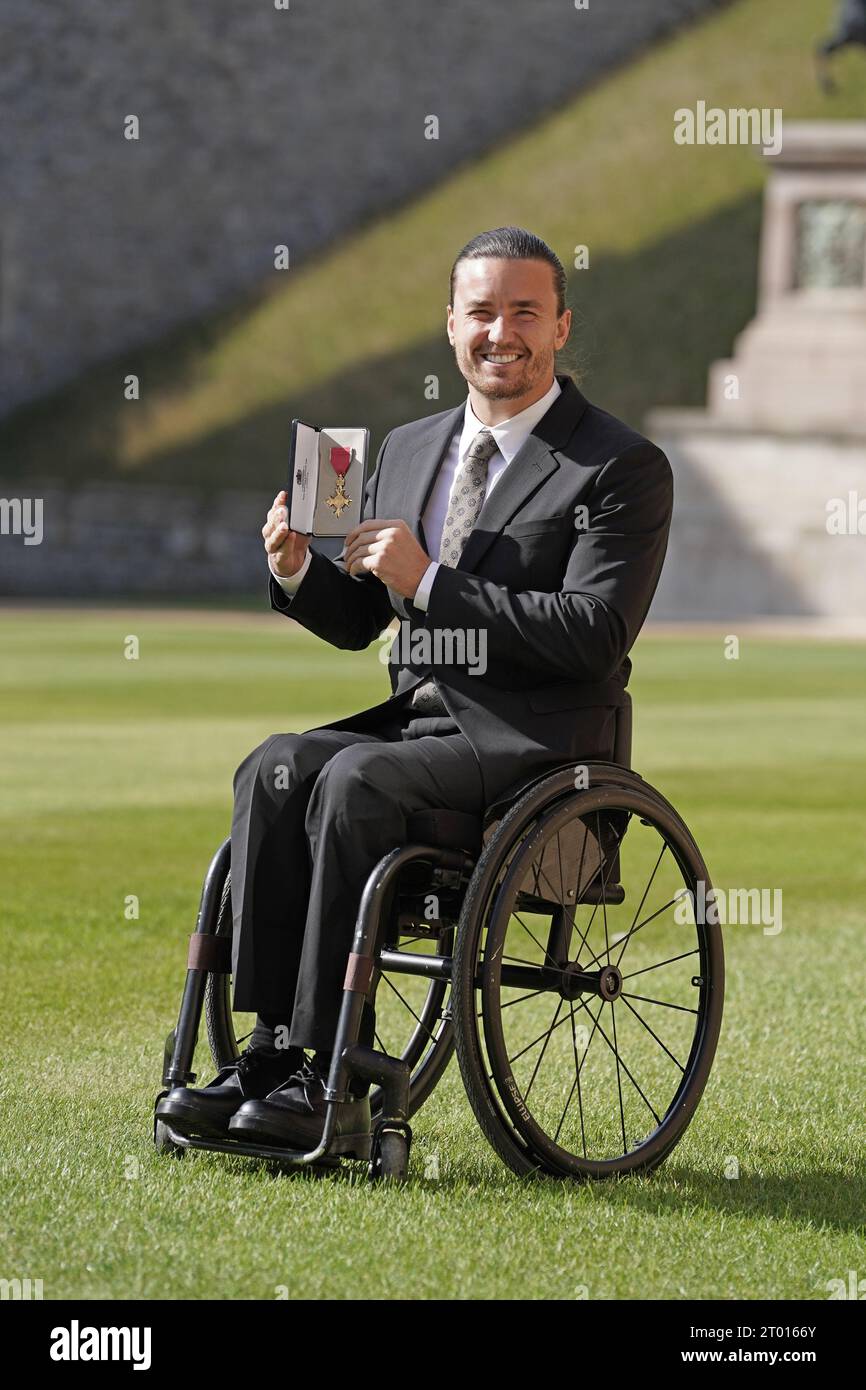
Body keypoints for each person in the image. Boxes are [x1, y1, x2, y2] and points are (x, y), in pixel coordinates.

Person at [158, 225, 674, 1151]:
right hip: (419, 725)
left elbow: (594, 636)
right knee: (275, 766)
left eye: (525, 311)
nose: (501, 332)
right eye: (482, 311)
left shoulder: (619, 466)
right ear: (450, 325)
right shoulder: (407, 447)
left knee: (358, 779)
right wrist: (292, 572)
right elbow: (361, 620)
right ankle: (267, 1054)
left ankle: (329, 1074)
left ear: (562, 325)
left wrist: (432, 580)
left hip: (534, 745)